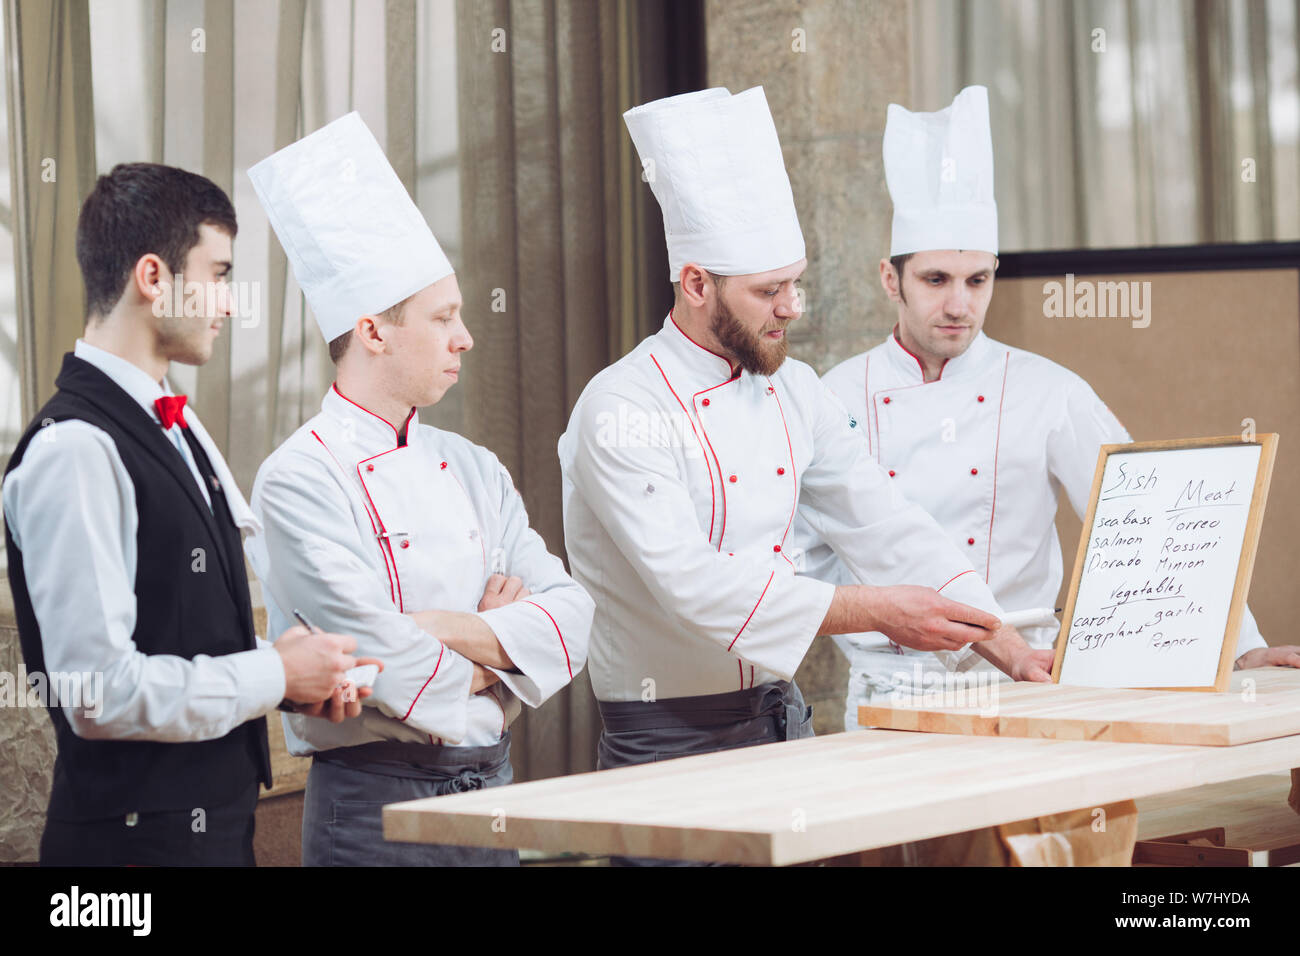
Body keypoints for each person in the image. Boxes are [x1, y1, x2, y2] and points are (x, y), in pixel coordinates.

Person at [558, 88, 1052, 865]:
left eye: (795, 282)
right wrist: (877, 611)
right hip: (666, 746)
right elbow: (692, 582)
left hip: (782, 725)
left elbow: (882, 521)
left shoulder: (794, 389)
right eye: (767, 291)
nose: (793, 307)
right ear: (695, 284)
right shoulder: (621, 406)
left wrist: (1007, 644)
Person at [797, 86, 1300, 733]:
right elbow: (800, 560)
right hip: (889, 692)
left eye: (978, 280)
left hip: (1024, 683)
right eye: (936, 281)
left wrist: (1240, 648)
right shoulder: (834, 396)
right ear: (890, 279)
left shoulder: (1049, 391)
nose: (959, 305)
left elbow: (1146, 523)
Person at [246, 112, 594, 867]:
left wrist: (431, 624)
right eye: (444, 318)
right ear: (373, 331)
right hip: (375, 810)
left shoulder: (474, 466)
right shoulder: (298, 477)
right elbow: (374, 660)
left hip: (494, 795)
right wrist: (499, 649)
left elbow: (574, 621)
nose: (466, 336)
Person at [2, 163, 367, 866]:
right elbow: (98, 694)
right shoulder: (74, 448)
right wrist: (276, 675)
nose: (229, 305)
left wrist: (295, 684)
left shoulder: (173, 421)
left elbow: (182, 622)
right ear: (153, 277)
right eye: (220, 273)